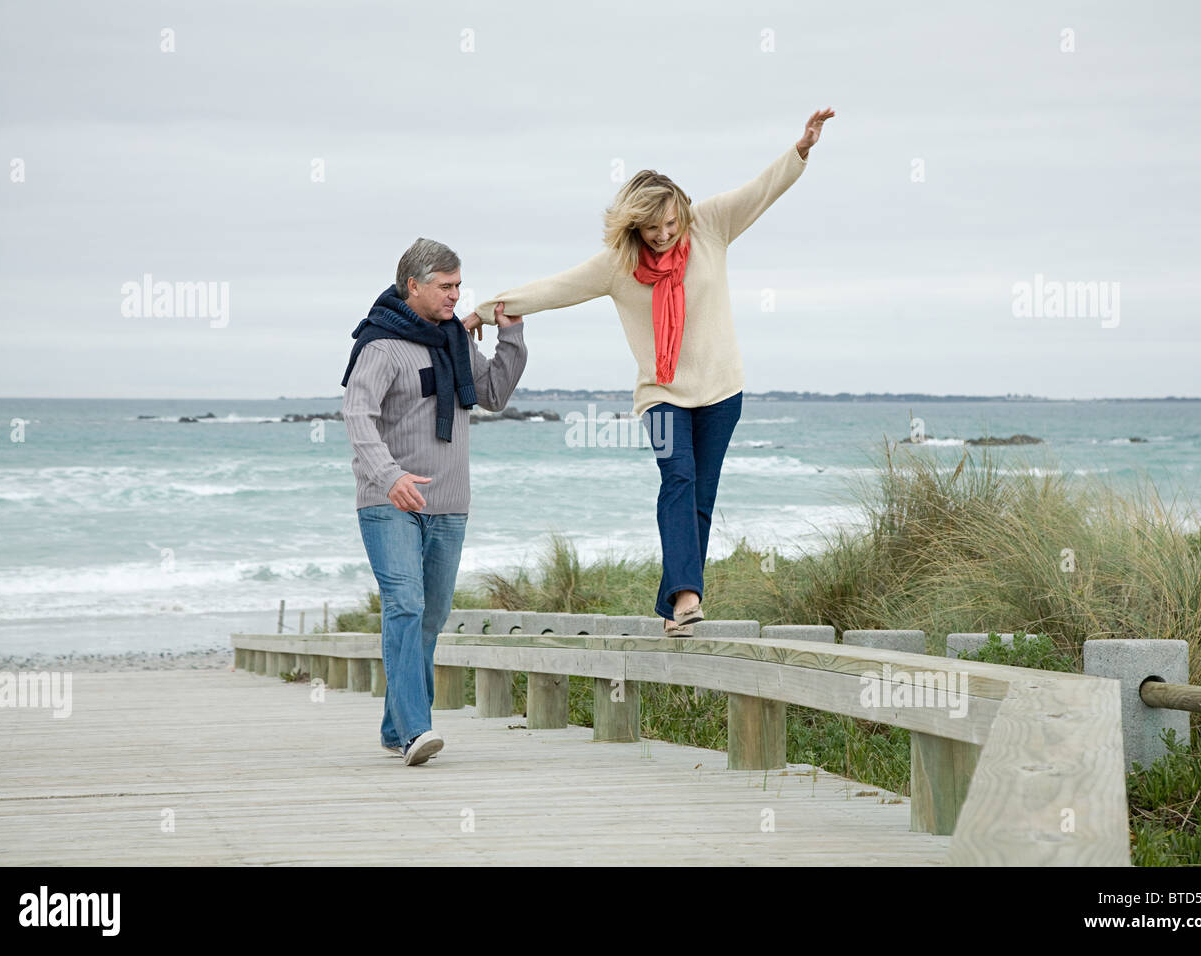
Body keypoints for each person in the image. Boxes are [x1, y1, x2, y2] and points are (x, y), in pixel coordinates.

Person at [463, 109, 835, 636]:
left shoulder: (710, 225)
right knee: (677, 480)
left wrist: (800, 149)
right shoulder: (618, 264)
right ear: (634, 225)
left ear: (682, 212)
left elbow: (760, 190)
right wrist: (486, 309)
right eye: (652, 228)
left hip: (722, 391)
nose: (663, 236)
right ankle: (686, 598)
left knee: (701, 496)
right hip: (660, 395)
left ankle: (676, 605)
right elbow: (557, 286)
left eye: (670, 224)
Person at [343, 237, 526, 765]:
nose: (455, 296)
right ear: (414, 286)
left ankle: (393, 724)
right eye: (446, 287)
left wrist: (511, 337)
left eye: (459, 286)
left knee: (431, 617)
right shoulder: (380, 347)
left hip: (449, 504)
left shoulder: (454, 340)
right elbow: (358, 416)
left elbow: (491, 393)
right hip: (389, 502)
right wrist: (389, 475)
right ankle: (415, 730)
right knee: (406, 606)